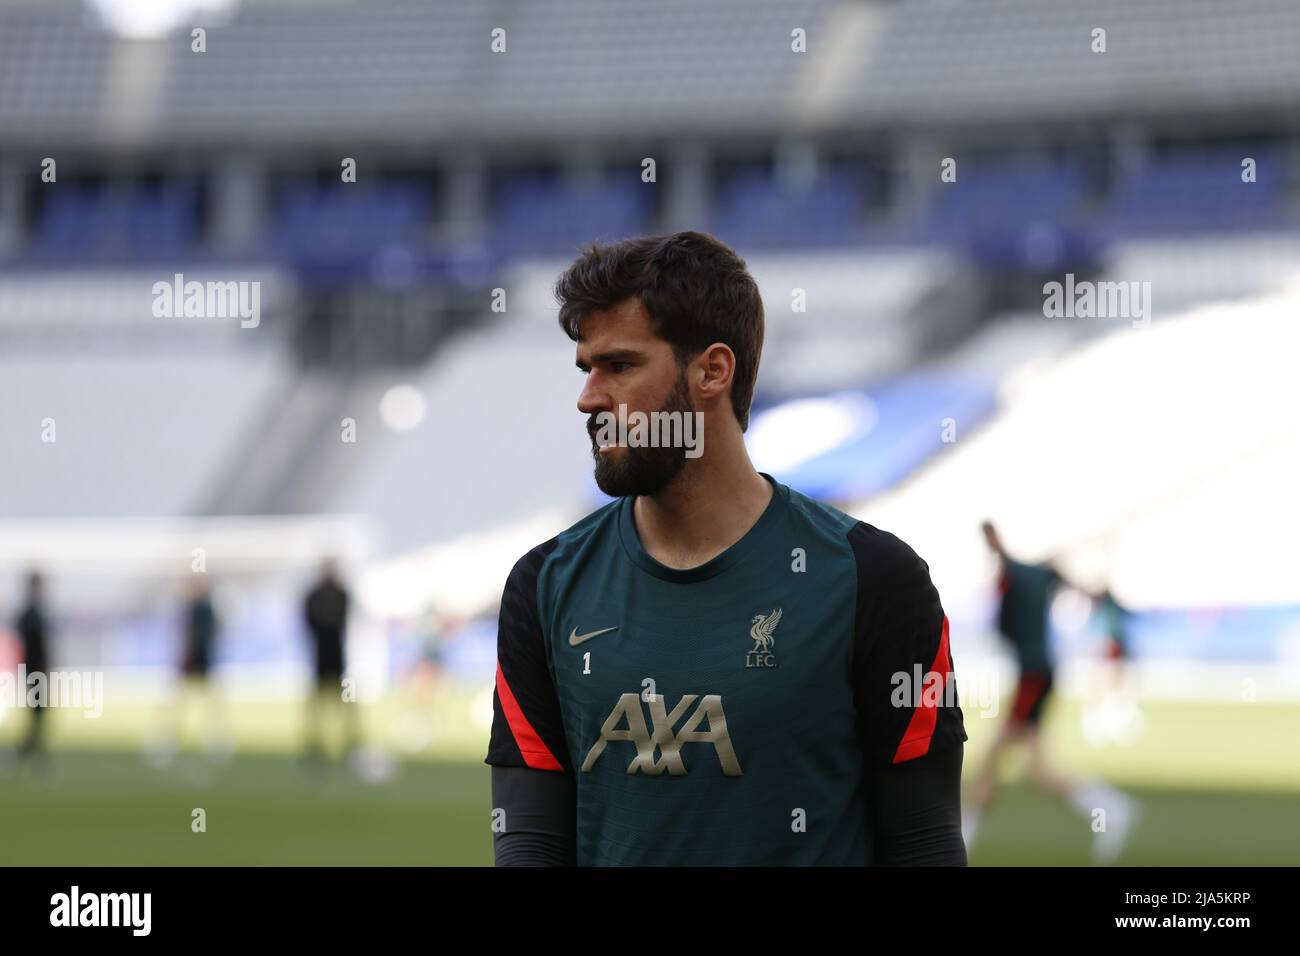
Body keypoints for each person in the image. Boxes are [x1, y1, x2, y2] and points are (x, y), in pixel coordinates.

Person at [486, 231, 967, 866]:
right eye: (587, 368)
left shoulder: (876, 579)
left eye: (620, 365)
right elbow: (529, 842)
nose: (589, 397)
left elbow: (924, 843)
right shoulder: (544, 585)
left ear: (712, 370)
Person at [964, 521, 1139, 864]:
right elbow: (1085, 589)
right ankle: (1110, 809)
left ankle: (960, 841)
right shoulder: (1042, 574)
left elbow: (1007, 558)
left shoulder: (1018, 572)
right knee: (1036, 768)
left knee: (992, 758)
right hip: (1039, 671)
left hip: (1033, 673)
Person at [302, 558, 361, 768]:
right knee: (316, 706)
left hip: (338, 660)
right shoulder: (315, 596)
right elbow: (312, 621)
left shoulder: (340, 594)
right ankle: (315, 747)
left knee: (347, 704)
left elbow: (338, 618)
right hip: (320, 659)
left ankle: (350, 744)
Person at [15, 570, 50, 765]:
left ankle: (34, 756)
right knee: (37, 716)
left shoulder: (35, 612)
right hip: (34, 671)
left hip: (37, 671)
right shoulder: (30, 613)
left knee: (39, 717)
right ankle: (26, 756)